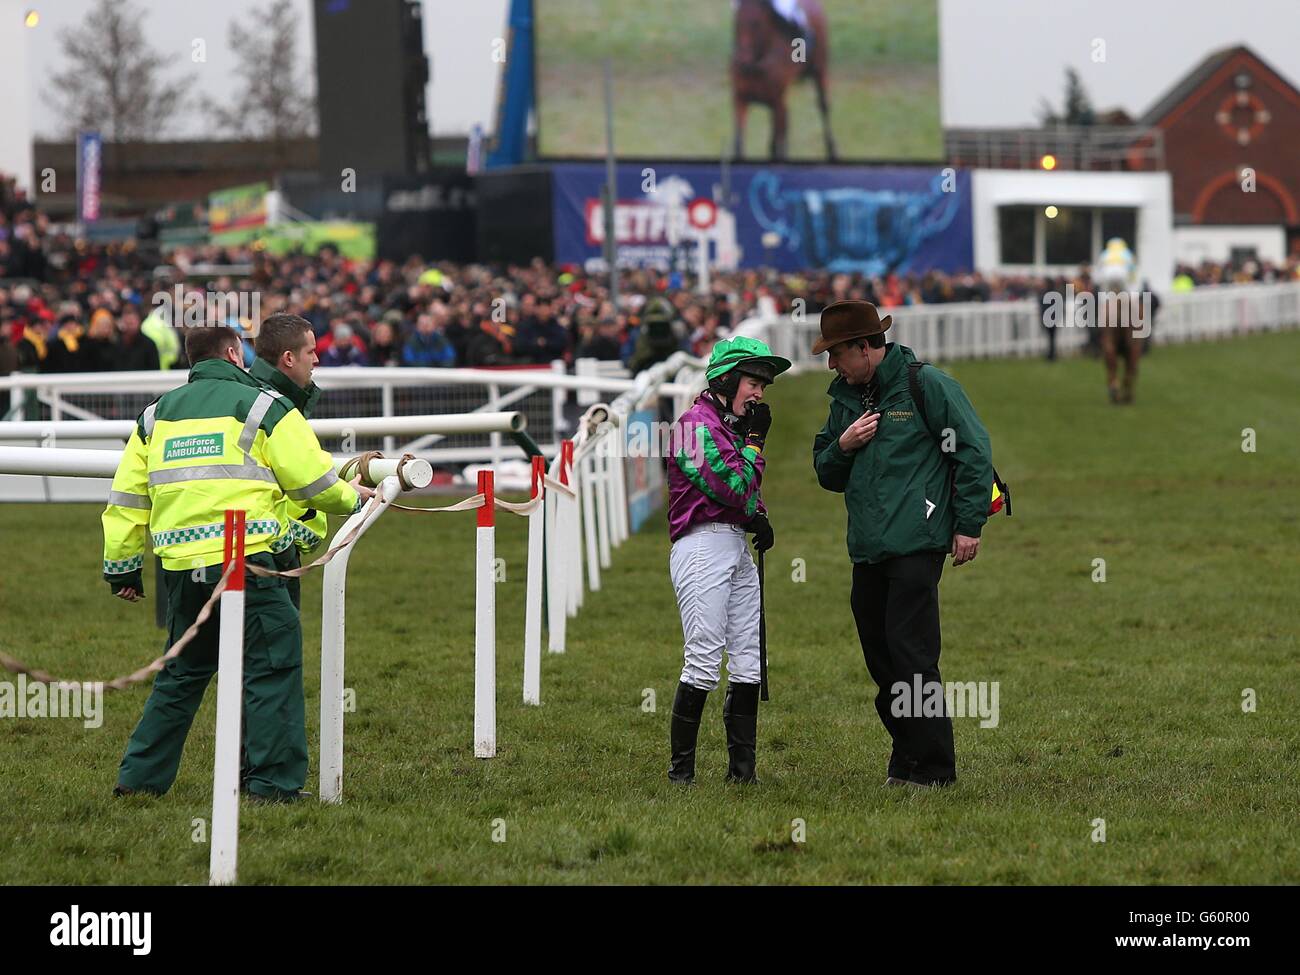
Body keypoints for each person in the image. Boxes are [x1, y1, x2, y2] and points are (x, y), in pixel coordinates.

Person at [103, 324, 373, 802]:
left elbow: (126, 498)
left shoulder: (154, 415)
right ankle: (272, 788)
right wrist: (354, 500)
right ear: (233, 354)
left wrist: (123, 567)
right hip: (249, 562)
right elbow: (312, 483)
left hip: (182, 568)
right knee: (271, 668)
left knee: (183, 674)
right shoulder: (267, 406)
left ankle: (139, 782)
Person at [811, 300, 992, 788]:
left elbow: (973, 452)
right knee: (881, 660)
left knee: (911, 656)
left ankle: (933, 769)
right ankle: (908, 756)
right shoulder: (844, 400)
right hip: (867, 547)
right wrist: (843, 445)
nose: (831, 364)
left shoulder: (925, 384)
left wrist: (969, 524)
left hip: (918, 541)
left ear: (865, 348)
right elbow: (825, 472)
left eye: (836, 354)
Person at [666, 335, 790, 785]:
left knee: (749, 662)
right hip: (701, 548)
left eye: (763, 386)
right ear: (727, 380)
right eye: (753, 383)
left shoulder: (729, 426)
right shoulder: (693, 426)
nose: (759, 393)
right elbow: (734, 487)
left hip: (734, 546)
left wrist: (758, 517)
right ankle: (681, 775)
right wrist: (756, 443)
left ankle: (743, 775)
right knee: (702, 659)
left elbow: (744, 496)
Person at [249, 314, 332, 610]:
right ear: (288, 358)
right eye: (311, 351)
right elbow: (310, 479)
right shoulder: (274, 407)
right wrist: (354, 499)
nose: (317, 359)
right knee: (273, 650)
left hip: (246, 544)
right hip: (268, 547)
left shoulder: (258, 398)